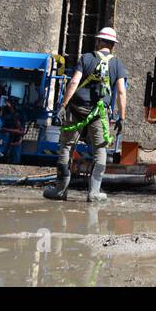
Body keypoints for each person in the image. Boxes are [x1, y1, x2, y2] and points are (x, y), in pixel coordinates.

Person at [44, 26, 127, 203]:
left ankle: (60, 191)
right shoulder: (117, 64)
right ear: (113, 45)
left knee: (66, 146)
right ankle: (94, 193)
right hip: (99, 112)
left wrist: (63, 105)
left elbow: (74, 82)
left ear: (98, 41)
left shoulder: (86, 58)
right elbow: (121, 92)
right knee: (100, 149)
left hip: (76, 109)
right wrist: (122, 117)